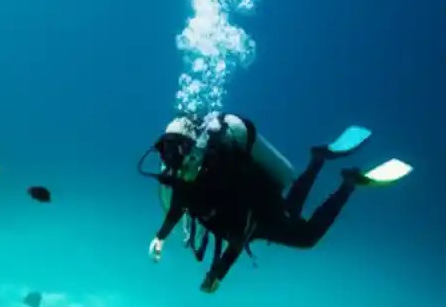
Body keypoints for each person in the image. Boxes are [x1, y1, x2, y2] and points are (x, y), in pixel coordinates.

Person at [140, 113, 383, 293]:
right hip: (250, 218)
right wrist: (160, 237)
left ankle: (347, 184)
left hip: (258, 218)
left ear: (194, 146)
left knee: (308, 237)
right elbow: (177, 208)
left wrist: (217, 274)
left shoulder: (225, 174)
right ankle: (318, 160)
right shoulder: (183, 178)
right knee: (291, 208)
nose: (170, 158)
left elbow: (239, 235)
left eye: (176, 148)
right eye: (165, 149)